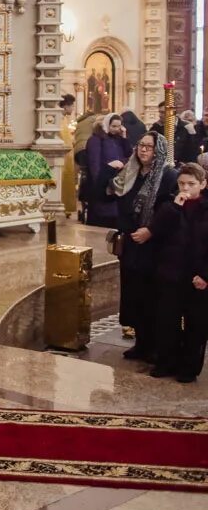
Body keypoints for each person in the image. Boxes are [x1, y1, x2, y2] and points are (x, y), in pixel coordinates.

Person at [110, 132, 179, 362]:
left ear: (158, 150)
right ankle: (141, 343)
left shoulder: (169, 176)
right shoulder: (131, 173)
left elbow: (171, 210)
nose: (143, 150)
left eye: (149, 147)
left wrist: (151, 231)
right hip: (131, 243)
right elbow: (110, 193)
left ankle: (156, 347)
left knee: (153, 297)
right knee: (134, 295)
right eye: (141, 146)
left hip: (154, 245)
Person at [149, 162, 208, 382]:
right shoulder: (169, 205)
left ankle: (188, 368)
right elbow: (156, 231)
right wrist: (174, 207)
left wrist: (205, 276)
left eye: (191, 184)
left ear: (202, 184)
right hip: (170, 272)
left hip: (197, 277)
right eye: (181, 183)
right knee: (166, 320)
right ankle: (166, 362)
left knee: (196, 324)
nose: (185, 188)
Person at [84, 113, 131, 228]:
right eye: (113, 126)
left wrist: (124, 137)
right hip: (101, 183)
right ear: (106, 125)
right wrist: (109, 166)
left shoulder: (118, 139)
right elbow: (94, 164)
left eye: (119, 126)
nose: (116, 129)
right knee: (100, 220)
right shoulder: (95, 139)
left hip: (116, 182)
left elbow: (129, 155)